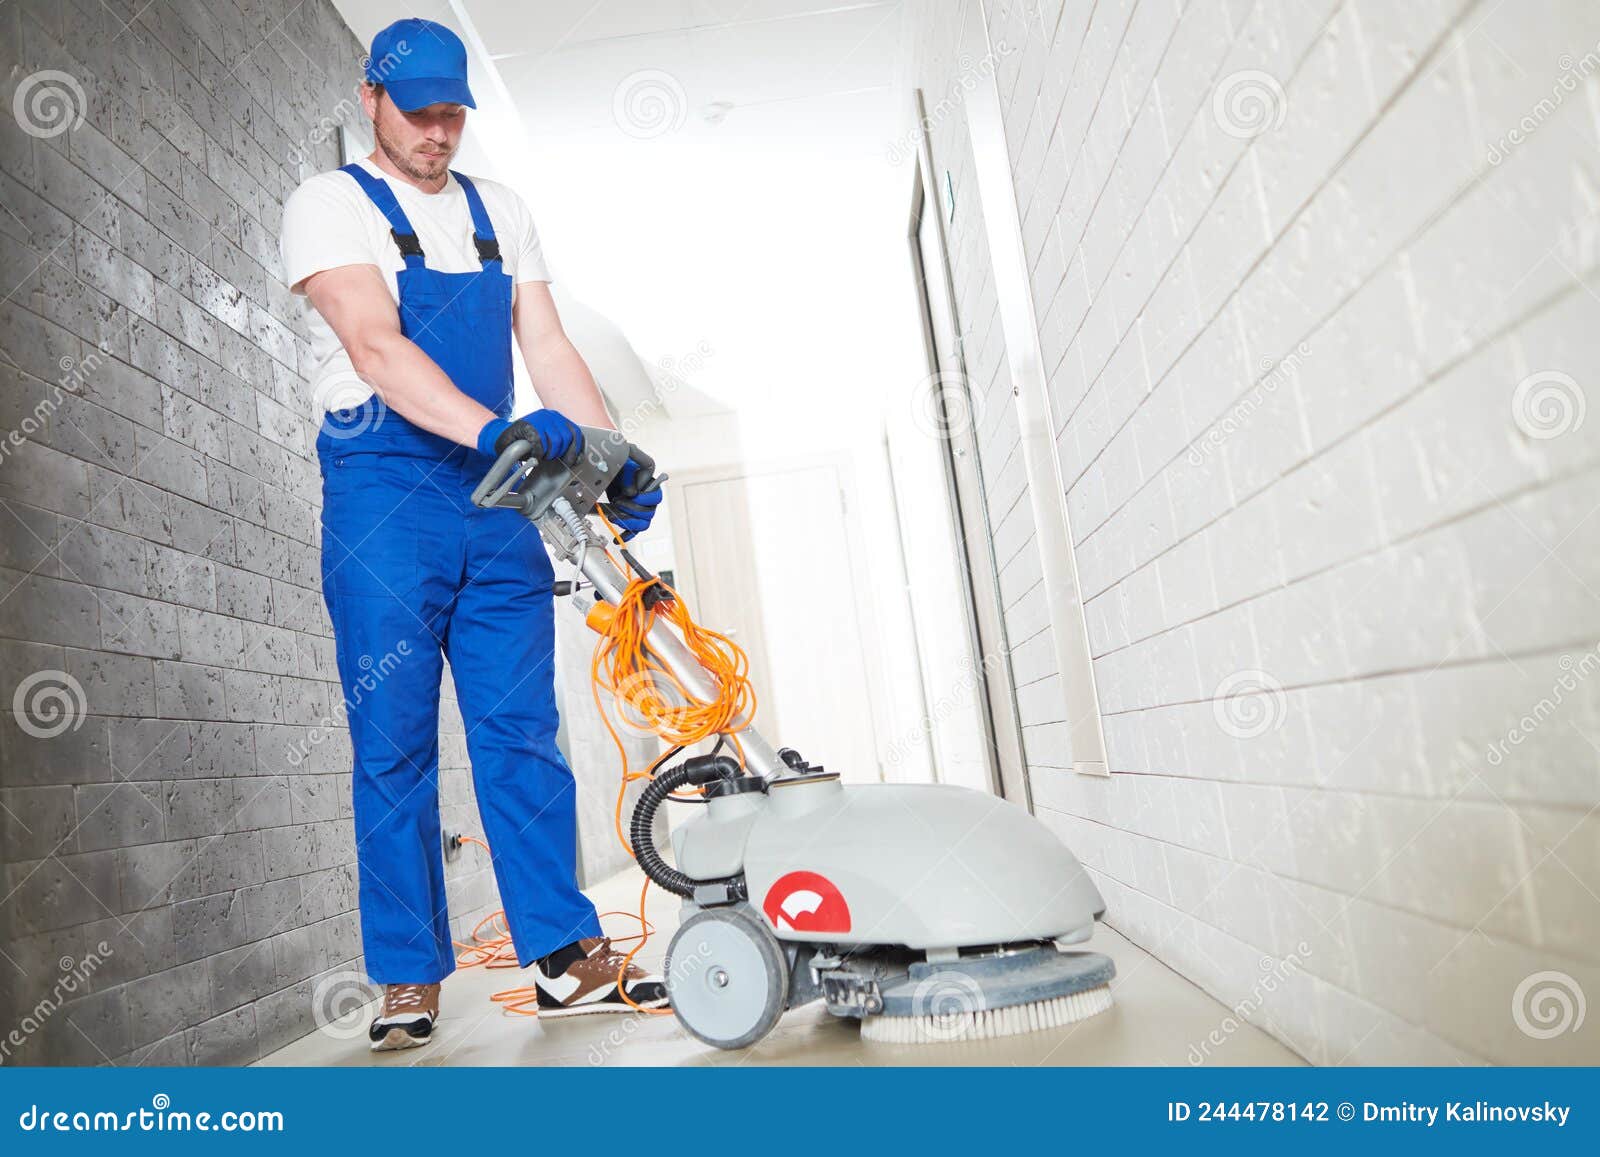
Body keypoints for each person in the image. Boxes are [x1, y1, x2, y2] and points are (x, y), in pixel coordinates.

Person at [279, 17, 666, 1050]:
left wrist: (601, 452)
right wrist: (503, 436)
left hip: (496, 499)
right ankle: (407, 974)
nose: (439, 133)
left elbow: (543, 339)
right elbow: (373, 344)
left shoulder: (502, 210)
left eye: (454, 113)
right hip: (384, 488)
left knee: (518, 727)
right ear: (371, 98)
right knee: (393, 739)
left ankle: (561, 954)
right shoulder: (330, 204)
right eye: (420, 113)